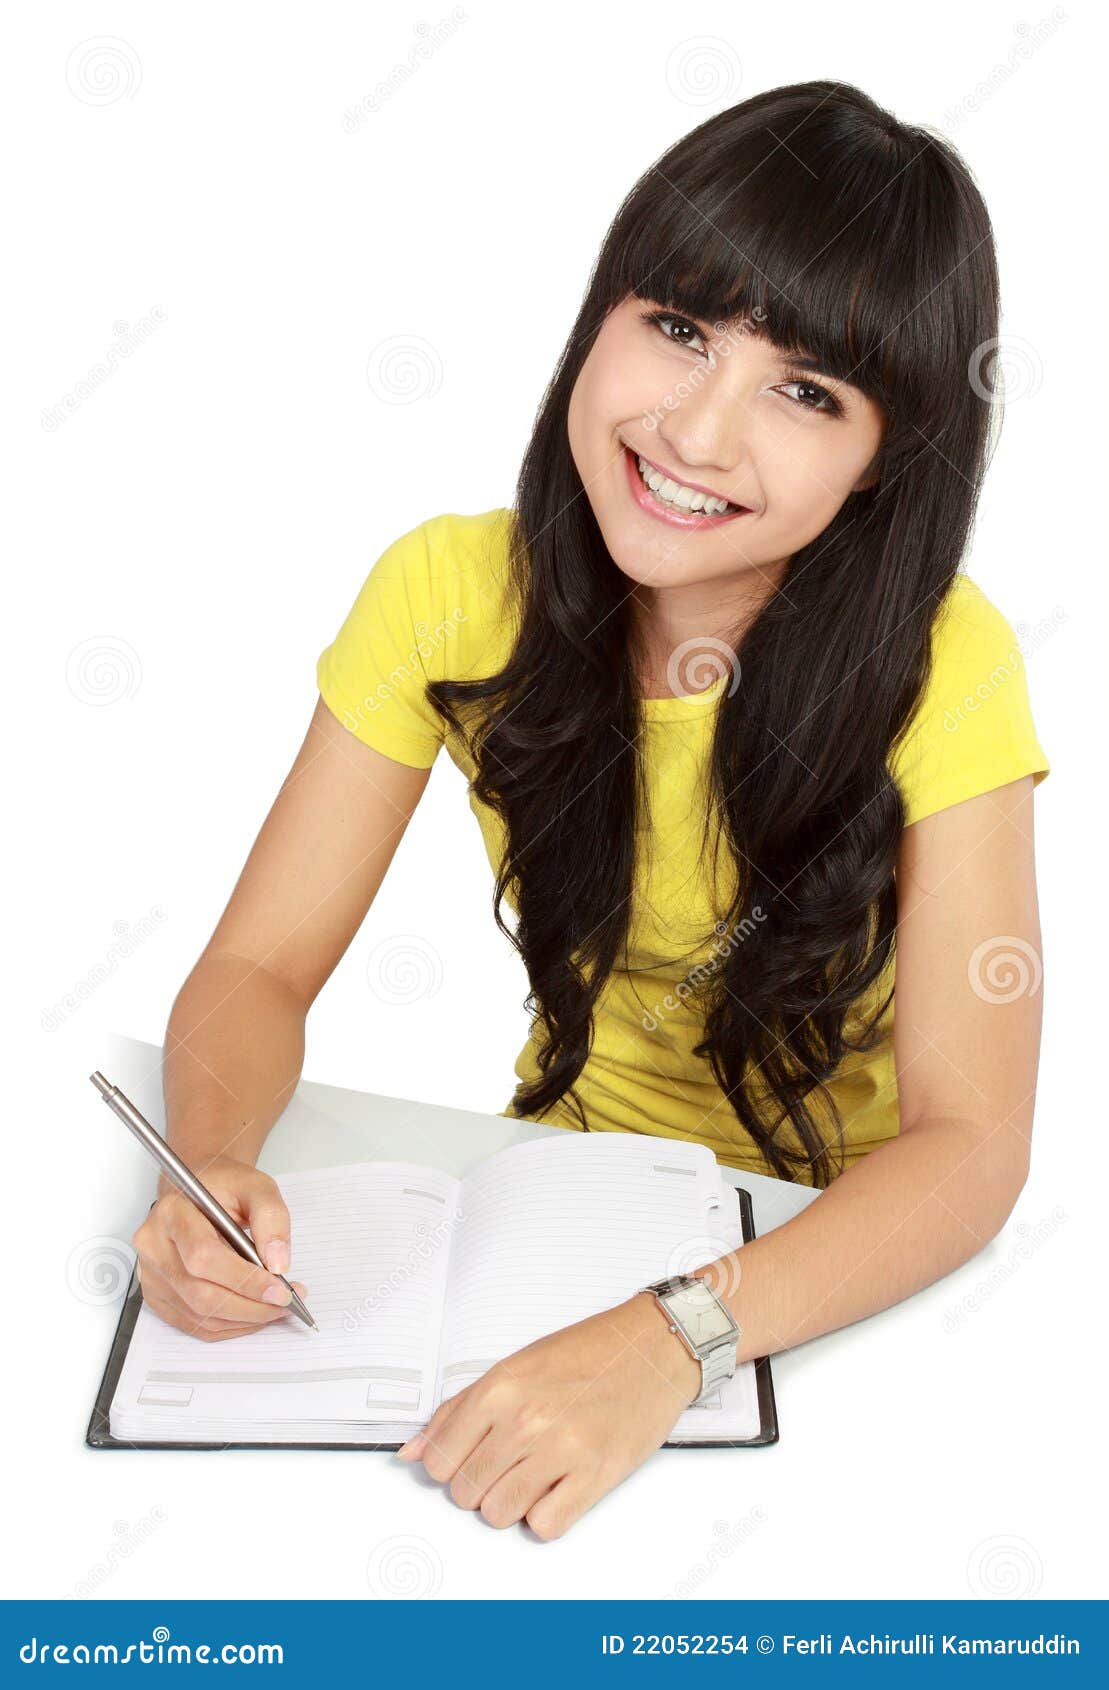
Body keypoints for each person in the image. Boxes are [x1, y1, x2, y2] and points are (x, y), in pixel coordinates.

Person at [133, 80, 1051, 1539]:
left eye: (806, 391)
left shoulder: (947, 662)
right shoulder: (448, 589)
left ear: (884, 457)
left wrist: (671, 1338)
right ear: (597, 317)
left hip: (833, 1267)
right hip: (549, 1201)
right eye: (678, 328)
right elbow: (257, 966)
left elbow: (972, 1146)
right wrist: (214, 1161)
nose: (697, 431)